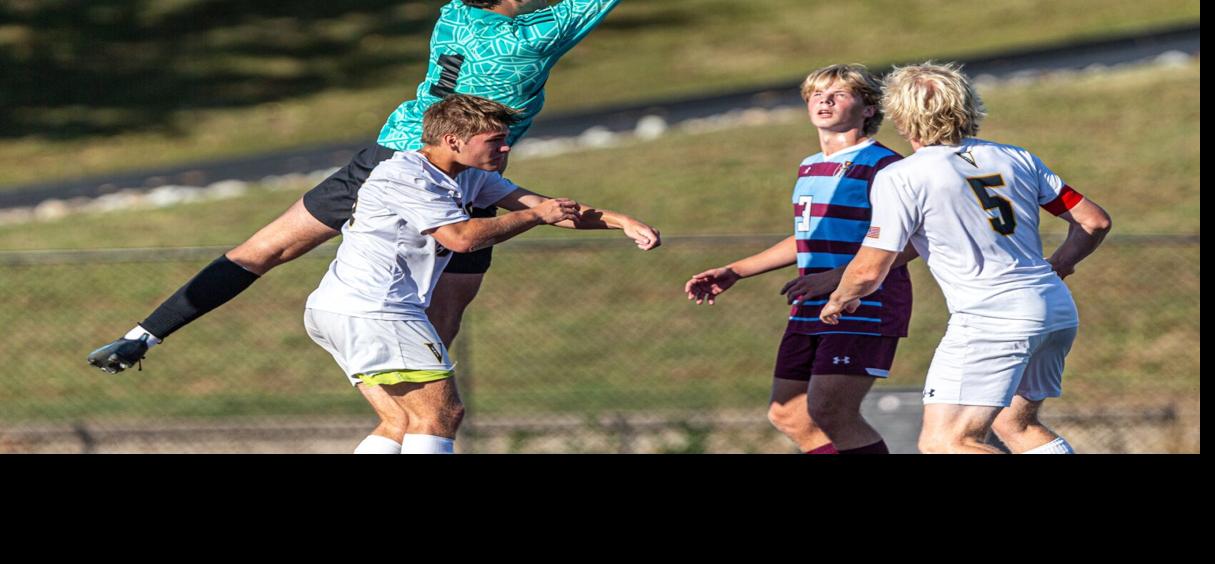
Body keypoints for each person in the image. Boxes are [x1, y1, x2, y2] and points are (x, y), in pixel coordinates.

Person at [88, 0, 619, 373]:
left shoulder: (451, 17)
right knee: (445, 313)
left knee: (265, 248)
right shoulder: (534, 36)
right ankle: (417, 415)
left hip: (384, 158)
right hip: (460, 179)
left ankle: (142, 335)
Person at [303, 95, 659, 454]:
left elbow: (548, 208)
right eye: (493, 140)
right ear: (453, 141)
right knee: (441, 415)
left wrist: (621, 222)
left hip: (345, 309)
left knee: (400, 421)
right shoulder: (406, 175)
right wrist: (536, 217)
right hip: (376, 310)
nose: (505, 146)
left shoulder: (468, 176)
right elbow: (460, 239)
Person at [821, 62, 1112, 454]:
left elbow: (869, 269)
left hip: (991, 318)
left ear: (901, 116)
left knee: (947, 443)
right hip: (1053, 308)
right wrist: (1059, 265)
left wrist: (840, 298)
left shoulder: (903, 175)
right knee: (1016, 426)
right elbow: (1093, 222)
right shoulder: (1015, 157)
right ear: (966, 105)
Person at [683, 64, 918, 455]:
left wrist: (839, 278)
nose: (824, 100)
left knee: (831, 410)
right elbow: (807, 236)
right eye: (816, 93)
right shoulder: (809, 165)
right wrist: (736, 270)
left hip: (862, 302)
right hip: (813, 303)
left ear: (869, 109)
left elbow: (913, 241)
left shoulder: (884, 166)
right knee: (790, 414)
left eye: (839, 93)